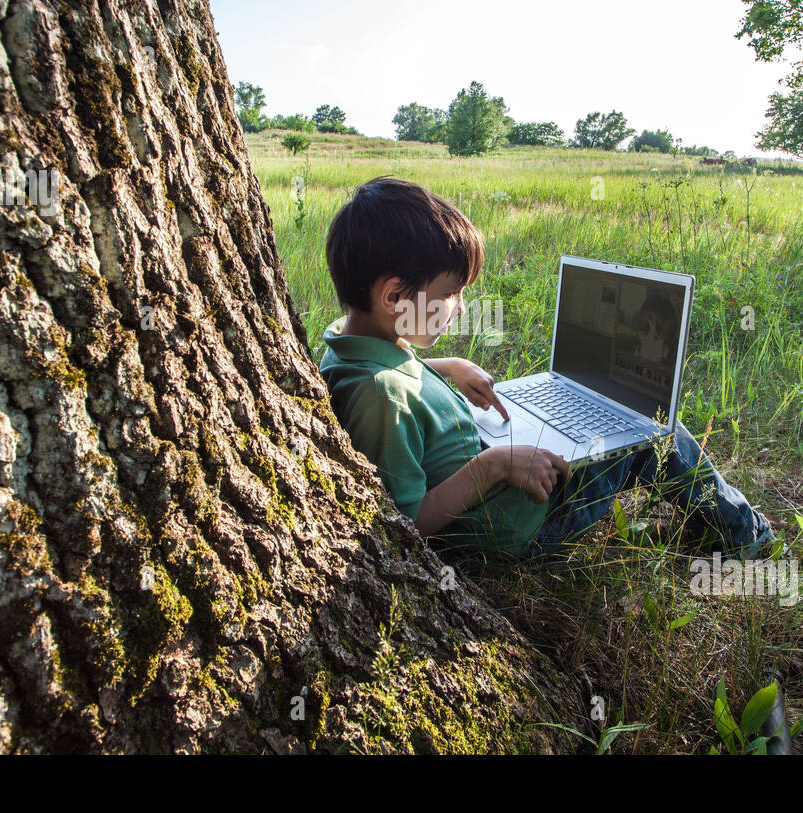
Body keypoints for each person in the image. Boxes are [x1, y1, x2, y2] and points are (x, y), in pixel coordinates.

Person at [318, 176, 776, 565]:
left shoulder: (351, 344)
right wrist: (494, 466)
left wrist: (444, 368)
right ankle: (746, 535)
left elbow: (395, 373)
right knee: (653, 434)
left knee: (612, 430)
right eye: (452, 293)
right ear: (395, 296)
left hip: (486, 471)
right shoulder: (383, 396)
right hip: (515, 527)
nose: (460, 308)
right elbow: (409, 522)